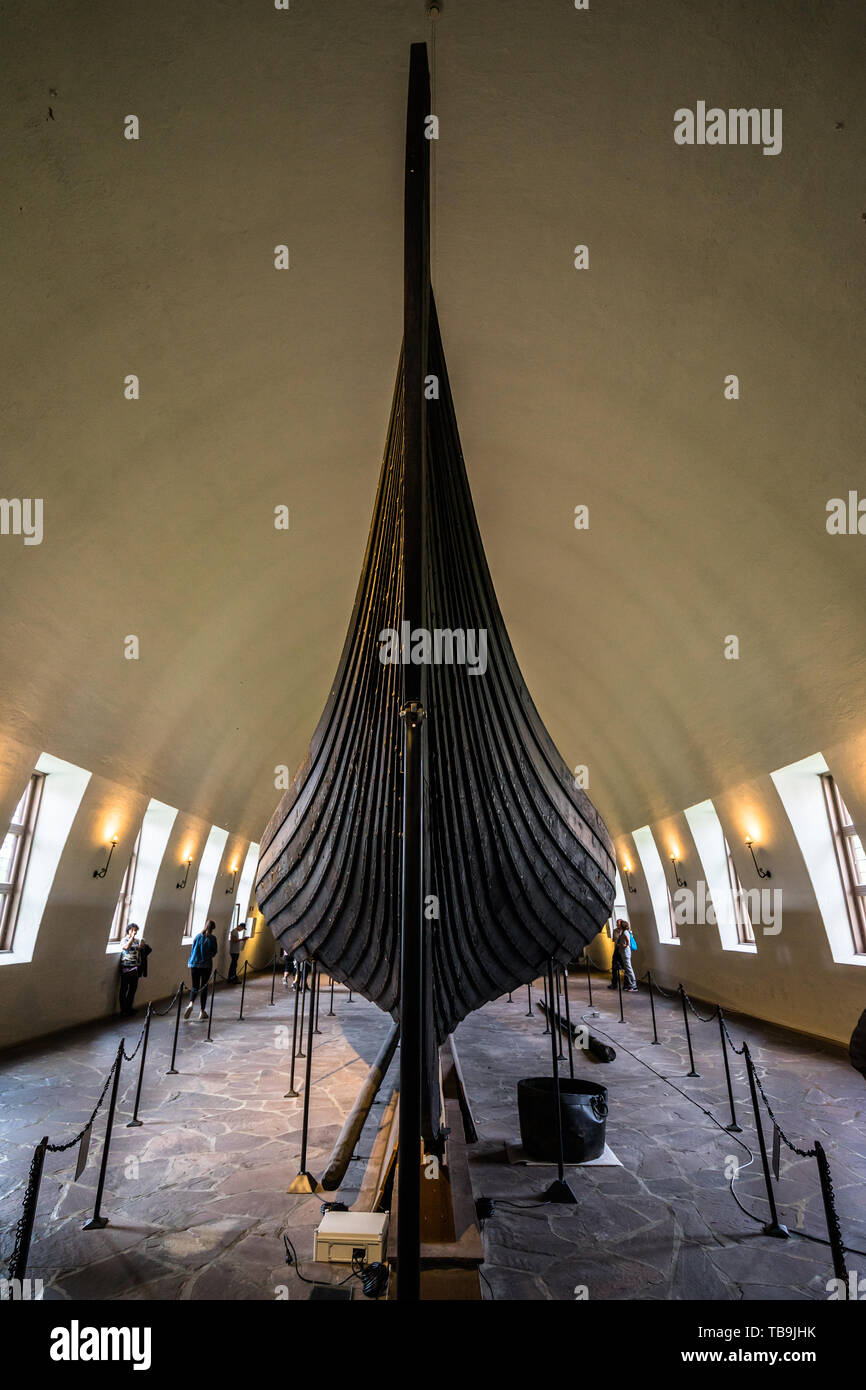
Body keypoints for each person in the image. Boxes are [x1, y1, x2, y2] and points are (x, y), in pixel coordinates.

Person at [184, 920, 218, 1019]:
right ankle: (202, 1011)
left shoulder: (197, 936)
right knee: (204, 987)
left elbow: (192, 949)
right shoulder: (212, 938)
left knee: (195, 986)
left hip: (194, 964)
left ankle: (191, 1004)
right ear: (212, 929)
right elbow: (214, 952)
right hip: (206, 965)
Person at [118, 923, 148, 1016]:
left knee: (133, 989)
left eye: (135, 930)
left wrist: (142, 947)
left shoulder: (137, 941)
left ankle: (129, 1008)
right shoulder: (124, 940)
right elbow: (126, 947)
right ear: (128, 930)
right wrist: (131, 937)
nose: (134, 932)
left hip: (135, 967)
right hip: (126, 967)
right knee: (124, 989)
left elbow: (140, 950)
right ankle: (123, 1010)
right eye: (132, 930)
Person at [611, 920, 638, 992]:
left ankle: (634, 985)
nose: (617, 925)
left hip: (625, 952)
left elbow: (628, 942)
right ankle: (630, 984)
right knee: (627, 968)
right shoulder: (623, 932)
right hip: (623, 952)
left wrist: (623, 945)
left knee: (629, 968)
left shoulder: (625, 932)